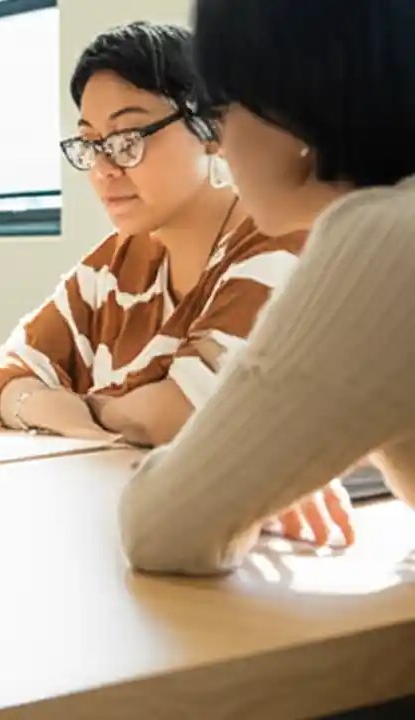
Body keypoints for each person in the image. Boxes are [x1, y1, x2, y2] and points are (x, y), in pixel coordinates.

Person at [119, 0, 415, 575]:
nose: (220, 144)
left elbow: (164, 528)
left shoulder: (383, 236)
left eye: (218, 111)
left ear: (291, 105)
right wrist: (276, 460)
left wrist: (231, 476)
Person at [0, 22, 305, 448]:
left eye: (128, 139)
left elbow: (180, 416)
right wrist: (55, 406)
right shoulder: (112, 267)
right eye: (90, 142)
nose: (104, 169)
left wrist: (80, 407)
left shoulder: (278, 241)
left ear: (213, 130)